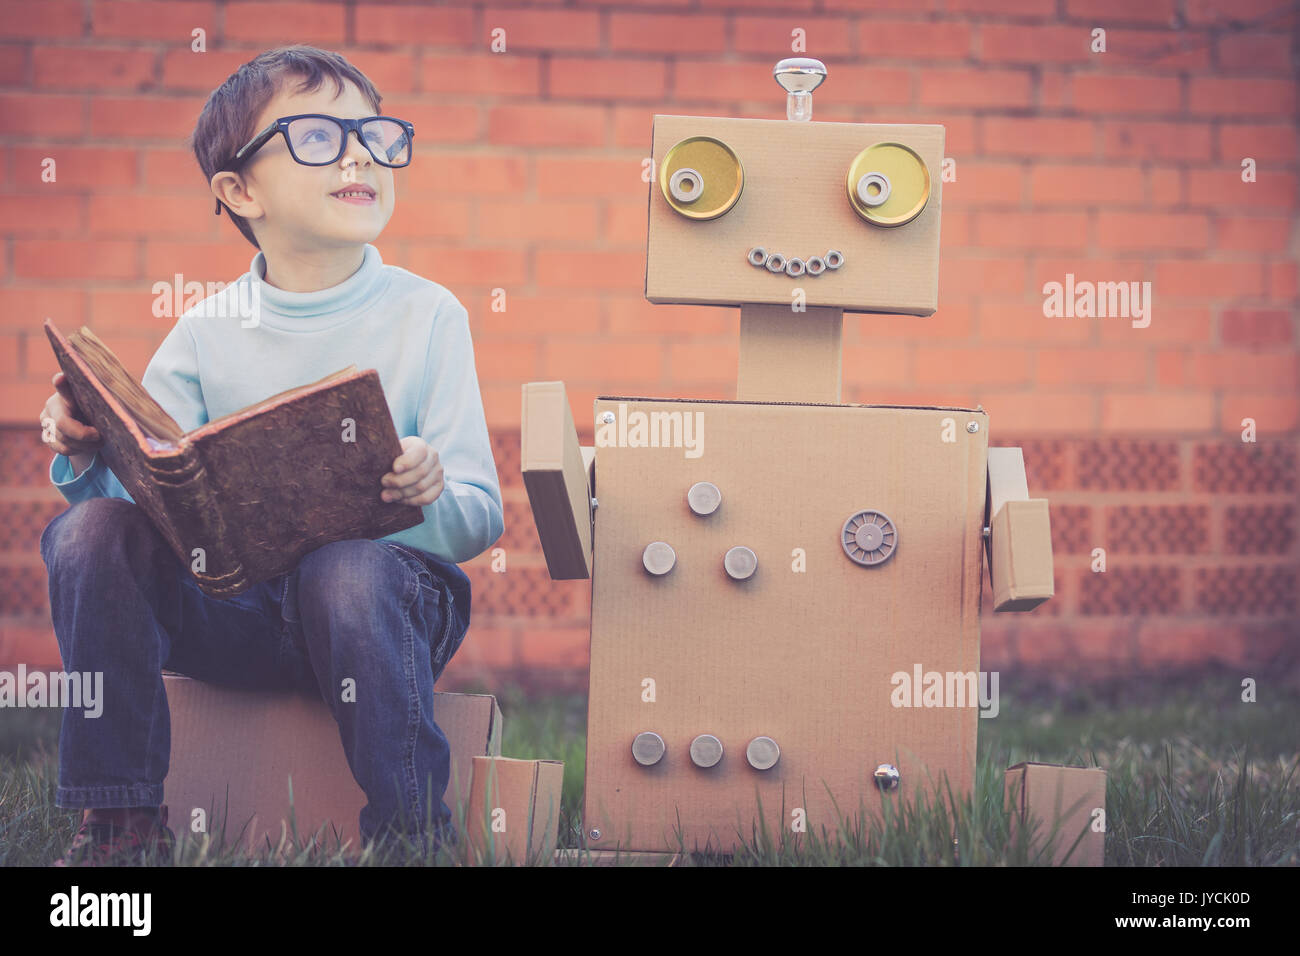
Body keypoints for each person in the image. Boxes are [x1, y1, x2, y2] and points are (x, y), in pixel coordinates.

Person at [36, 45, 504, 865]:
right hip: (239, 618)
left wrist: (428, 491)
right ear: (239, 189)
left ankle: (411, 839)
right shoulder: (204, 330)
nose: (361, 152)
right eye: (319, 135)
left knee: (346, 569)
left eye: (375, 133)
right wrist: (85, 449)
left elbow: (478, 518)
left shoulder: (429, 314)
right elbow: (150, 506)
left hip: (381, 613)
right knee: (89, 531)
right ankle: (118, 826)